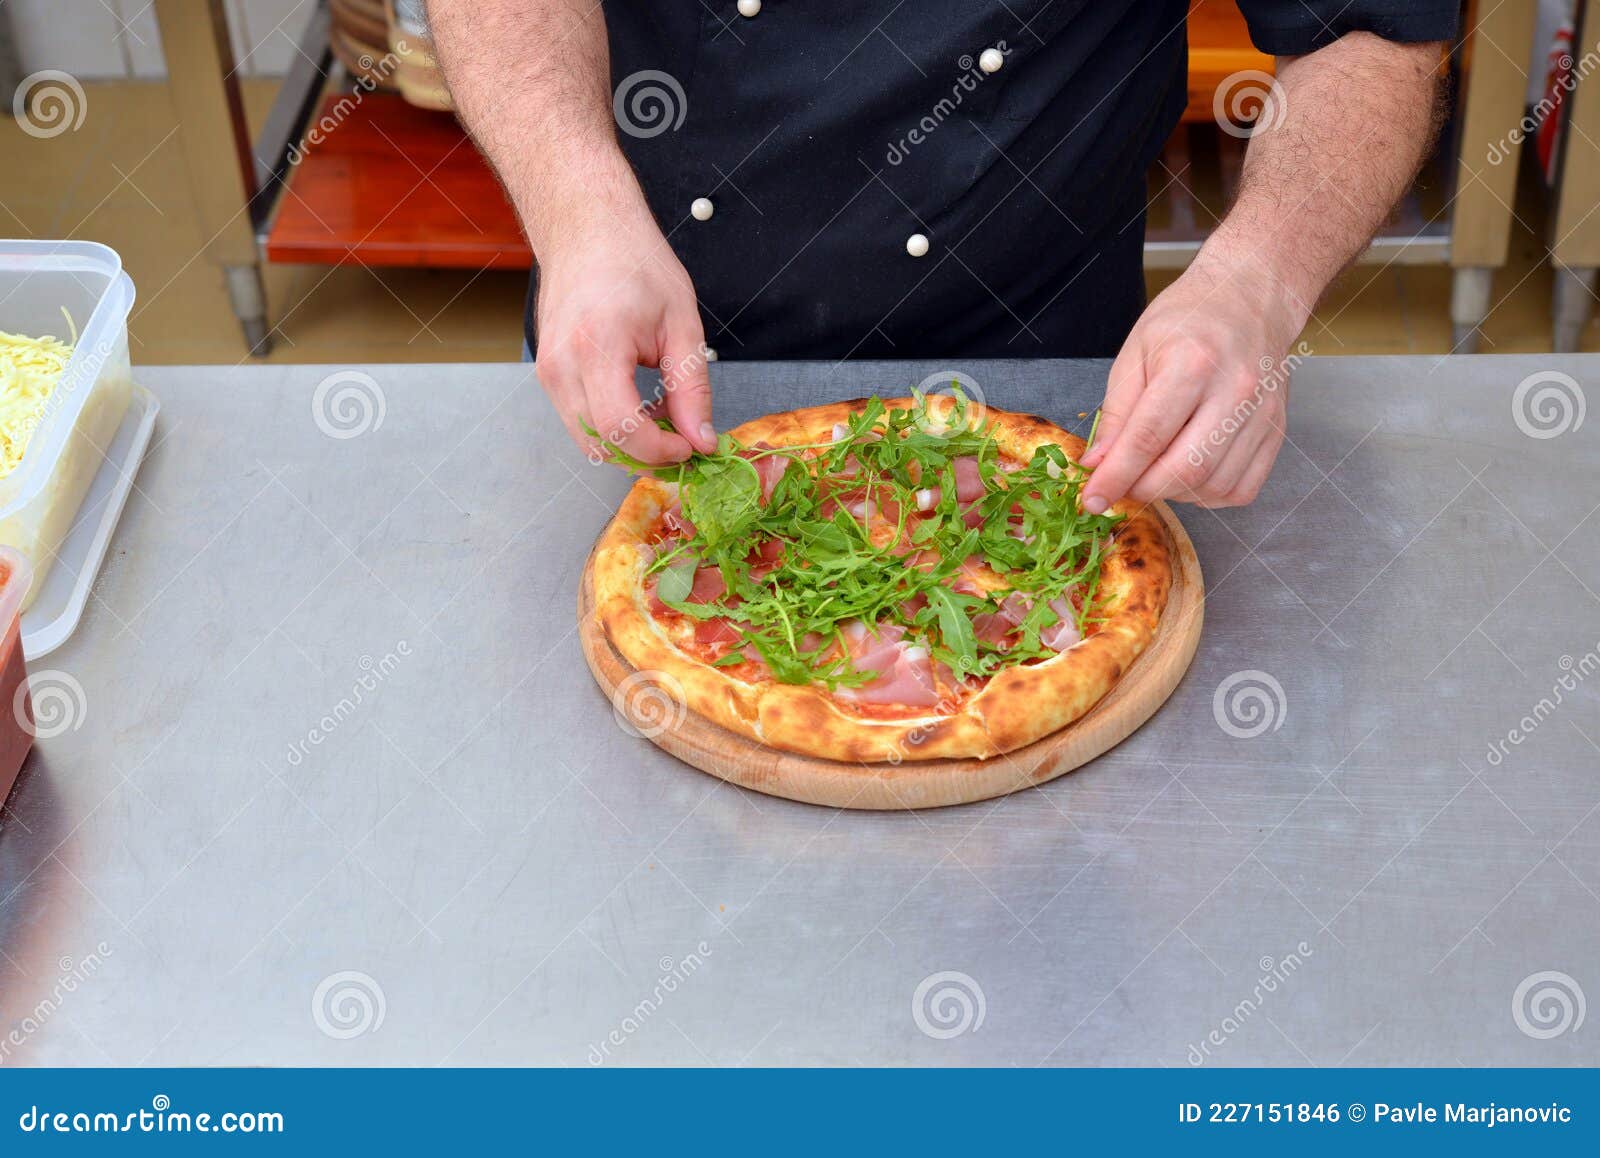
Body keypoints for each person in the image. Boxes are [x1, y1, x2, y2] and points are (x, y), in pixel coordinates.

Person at [428, 1, 1455, 510]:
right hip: (644, 364)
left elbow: (1369, 27)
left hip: (1057, 407)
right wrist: (577, 207)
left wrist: (1256, 282)